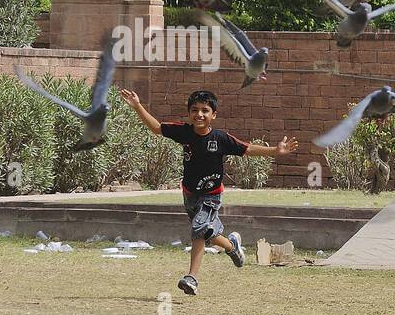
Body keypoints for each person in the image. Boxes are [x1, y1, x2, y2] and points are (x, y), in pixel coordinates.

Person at [120, 88, 298, 296]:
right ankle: (232, 247)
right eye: (194, 110)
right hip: (189, 194)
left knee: (199, 228)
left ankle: (192, 278)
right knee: (208, 234)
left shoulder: (221, 139)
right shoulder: (184, 132)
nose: (199, 114)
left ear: (214, 115)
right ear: (188, 114)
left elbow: (247, 148)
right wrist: (138, 106)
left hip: (211, 195)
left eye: (205, 110)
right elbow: (157, 128)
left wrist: (275, 151)